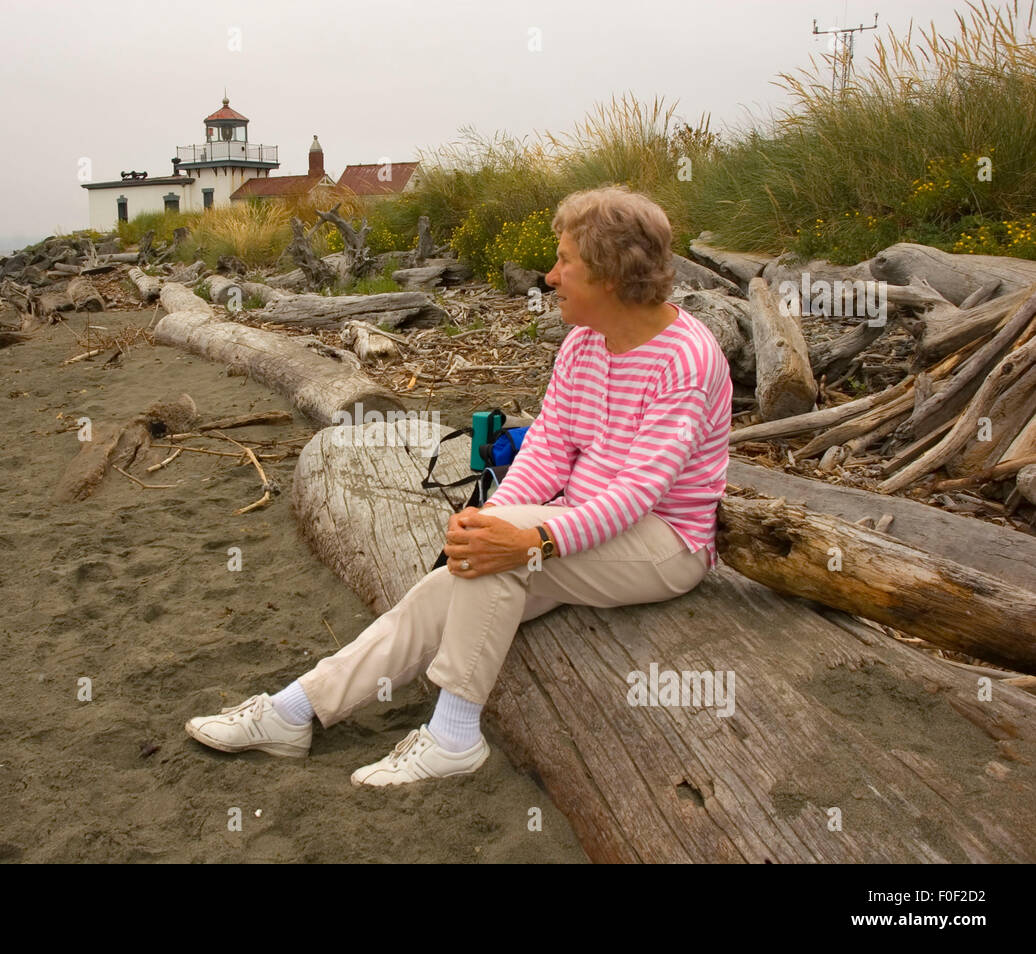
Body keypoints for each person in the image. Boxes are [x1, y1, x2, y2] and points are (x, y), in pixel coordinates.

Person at [185, 185, 733, 787]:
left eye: (565, 263)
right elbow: (549, 447)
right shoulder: (584, 342)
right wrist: (490, 516)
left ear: (609, 275)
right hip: (586, 523)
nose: (550, 277)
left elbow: (635, 495)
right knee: (447, 580)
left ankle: (453, 735)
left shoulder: (685, 359)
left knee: (494, 559)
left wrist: (529, 541)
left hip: (663, 544)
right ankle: (296, 709)